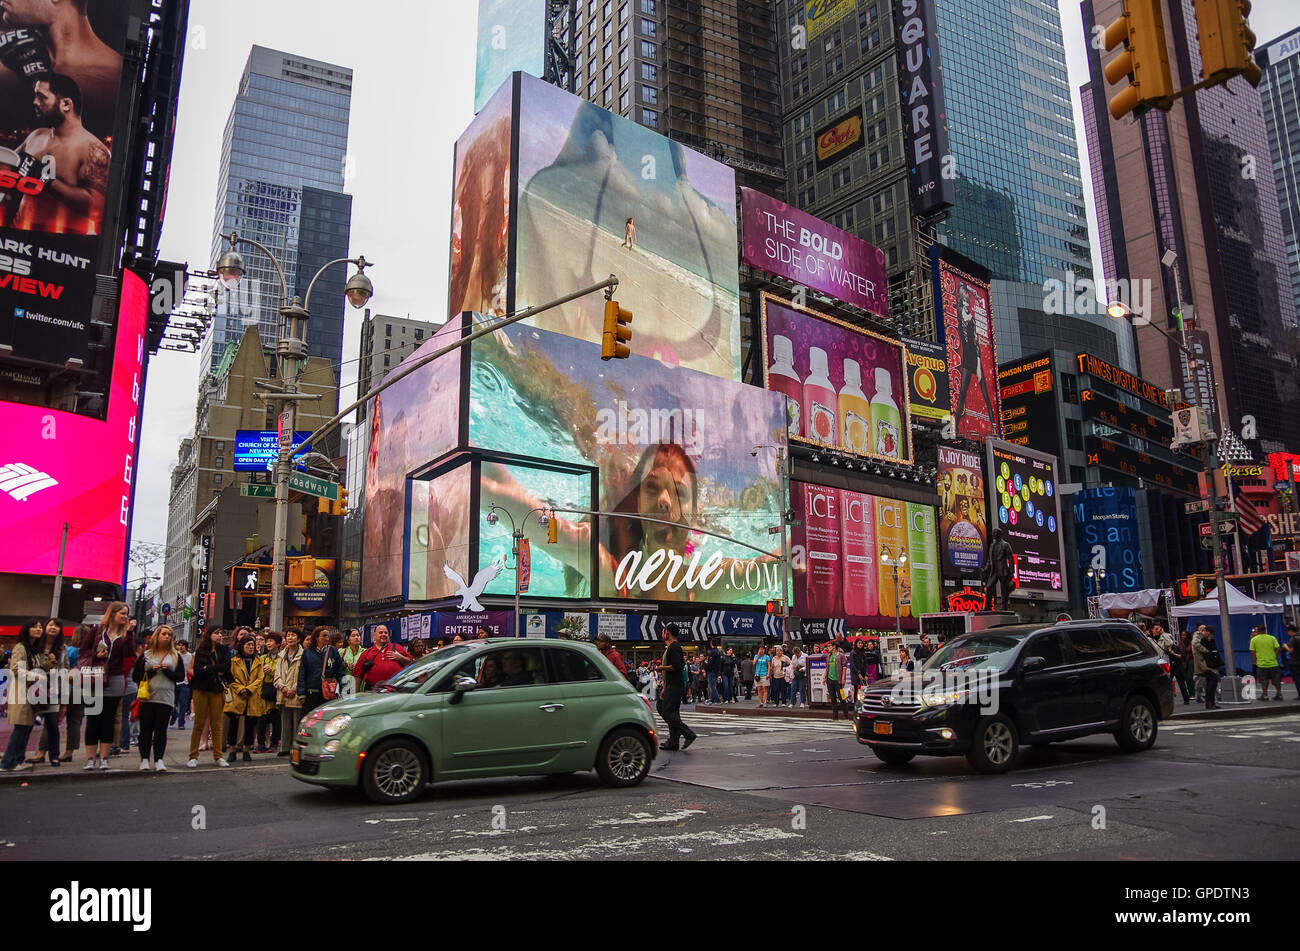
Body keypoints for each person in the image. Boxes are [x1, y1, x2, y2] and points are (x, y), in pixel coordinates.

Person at [8, 73, 111, 234]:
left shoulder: (94, 150)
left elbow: (97, 209)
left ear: (66, 104)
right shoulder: (36, 135)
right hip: (18, 237)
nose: (35, 102)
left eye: (42, 97)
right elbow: (8, 165)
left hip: (62, 249)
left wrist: (48, 181)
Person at [81, 602, 133, 769]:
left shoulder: (124, 635)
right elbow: (84, 651)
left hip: (115, 678)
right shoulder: (97, 631)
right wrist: (96, 655)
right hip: (95, 676)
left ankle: (104, 758)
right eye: (122, 613)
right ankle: (90, 759)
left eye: (126, 614)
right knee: (93, 719)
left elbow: (129, 654)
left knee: (108, 720)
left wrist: (130, 633)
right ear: (113, 614)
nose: (125, 617)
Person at [131, 626, 183, 771]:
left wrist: (166, 671)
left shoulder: (175, 656)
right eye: (164, 634)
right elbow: (136, 675)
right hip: (148, 697)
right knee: (146, 730)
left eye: (169, 635)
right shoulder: (146, 655)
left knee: (161, 730)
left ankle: (159, 759)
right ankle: (145, 759)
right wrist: (151, 671)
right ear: (157, 636)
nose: (167, 637)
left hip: (166, 697)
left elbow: (180, 677)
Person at [0, 620, 43, 771]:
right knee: (21, 728)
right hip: (21, 693)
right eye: (35, 626)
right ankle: (7, 763)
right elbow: (16, 669)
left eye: (40, 627)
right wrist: (38, 676)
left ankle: (18, 760)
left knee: (26, 728)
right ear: (27, 629)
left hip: (31, 694)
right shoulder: (20, 647)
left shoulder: (34, 649)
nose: (38, 629)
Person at [952, 281, 995, 431]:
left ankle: (995, 428)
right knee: (962, 394)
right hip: (966, 359)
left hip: (975, 359)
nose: (965, 303)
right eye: (962, 300)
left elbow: (976, 343)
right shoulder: (958, 314)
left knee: (986, 395)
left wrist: (978, 364)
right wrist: (973, 291)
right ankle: (955, 427)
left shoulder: (973, 319)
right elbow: (961, 284)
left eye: (966, 300)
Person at [26, 617, 68, 766]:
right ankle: (29, 754)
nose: (53, 628)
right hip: (36, 688)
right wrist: (47, 663)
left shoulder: (62, 648)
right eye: (51, 625)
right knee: (28, 723)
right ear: (45, 627)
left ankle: (54, 755)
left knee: (52, 723)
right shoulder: (36, 645)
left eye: (57, 626)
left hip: (55, 689)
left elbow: (65, 669)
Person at [186, 628, 230, 768]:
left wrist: (209, 668)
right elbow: (197, 671)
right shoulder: (200, 651)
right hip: (201, 689)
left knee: (217, 723)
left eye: (221, 633)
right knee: (199, 722)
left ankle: (218, 756)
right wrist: (215, 669)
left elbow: (226, 666)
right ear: (209, 635)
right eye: (216, 633)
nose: (220, 635)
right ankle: (193, 756)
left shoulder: (224, 650)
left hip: (217, 689)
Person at [224, 634, 266, 762]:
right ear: (242, 646)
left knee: (250, 725)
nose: (251, 647)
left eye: (252, 645)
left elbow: (260, 678)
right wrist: (240, 688)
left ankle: (246, 750)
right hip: (237, 696)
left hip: (252, 697)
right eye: (248, 645)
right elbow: (230, 677)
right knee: (233, 724)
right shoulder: (234, 660)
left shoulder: (258, 661)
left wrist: (249, 689)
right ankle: (232, 750)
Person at [654, 625, 696, 751]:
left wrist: (661, 668)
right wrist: (664, 687)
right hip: (671, 684)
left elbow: (676, 666)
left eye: (663, 631)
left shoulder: (675, 647)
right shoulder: (670, 647)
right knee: (668, 710)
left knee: (667, 711)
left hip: (676, 684)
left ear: (668, 633)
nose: (662, 633)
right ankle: (673, 741)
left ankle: (688, 734)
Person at [298, 626, 345, 712]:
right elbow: (302, 673)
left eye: (328, 636)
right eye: (324, 636)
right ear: (316, 637)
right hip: (311, 692)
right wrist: (301, 693)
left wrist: (342, 689)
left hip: (328, 693)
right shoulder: (307, 652)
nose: (327, 638)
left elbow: (340, 671)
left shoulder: (333, 651)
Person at [275, 630, 305, 756]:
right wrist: (283, 687)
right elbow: (277, 675)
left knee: (297, 722)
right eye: (288, 635)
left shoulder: (303, 655)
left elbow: (303, 675)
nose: (290, 638)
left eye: (293, 635)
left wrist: (293, 689)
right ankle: (285, 747)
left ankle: (295, 748)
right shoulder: (281, 655)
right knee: (285, 722)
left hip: (296, 693)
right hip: (283, 693)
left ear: (298, 639)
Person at [357, 626, 414, 690]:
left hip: (396, 690)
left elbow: (412, 663)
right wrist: (355, 694)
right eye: (381, 632)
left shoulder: (397, 648)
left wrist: (401, 657)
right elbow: (357, 676)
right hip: (373, 691)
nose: (384, 634)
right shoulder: (366, 653)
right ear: (374, 636)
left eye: (386, 633)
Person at [254, 632, 282, 753]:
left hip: (276, 691)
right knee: (261, 719)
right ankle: (260, 744)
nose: (268, 643)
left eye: (271, 641)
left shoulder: (282, 658)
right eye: (267, 641)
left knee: (276, 718)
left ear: (278, 644)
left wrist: (272, 670)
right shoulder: (262, 658)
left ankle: (274, 744)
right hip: (263, 691)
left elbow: (282, 673)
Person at [1248, 624, 1284, 701]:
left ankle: (1265, 695)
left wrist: (1255, 661)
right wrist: (1275, 656)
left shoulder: (1254, 640)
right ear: (1265, 630)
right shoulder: (1272, 638)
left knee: (1263, 680)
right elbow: (1278, 648)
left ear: (1258, 631)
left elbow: (1252, 652)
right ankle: (1279, 694)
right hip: (1273, 663)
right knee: (1276, 680)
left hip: (1261, 664)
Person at [982, 529, 1015, 611]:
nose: (993, 534)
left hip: (1003, 570)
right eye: (993, 533)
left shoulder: (1005, 545)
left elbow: (1011, 558)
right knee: (989, 587)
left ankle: (1004, 607)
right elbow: (990, 560)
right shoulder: (992, 545)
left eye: (995, 533)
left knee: (1004, 590)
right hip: (994, 571)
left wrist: (1011, 572)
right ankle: (987, 606)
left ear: (999, 534)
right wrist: (985, 569)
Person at [1195, 629, 1222, 710]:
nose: (1205, 633)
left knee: (1213, 683)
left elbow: (1214, 651)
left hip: (1212, 664)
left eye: (1206, 631)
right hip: (1205, 665)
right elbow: (1202, 650)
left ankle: (1211, 702)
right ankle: (1209, 702)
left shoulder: (1212, 640)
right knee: (1210, 682)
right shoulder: (1200, 640)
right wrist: (1208, 650)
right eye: (1204, 631)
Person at [171, 639, 193, 729]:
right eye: (179, 645)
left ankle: (181, 722)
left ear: (186, 647)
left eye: (183, 645)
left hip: (185, 682)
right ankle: (174, 713)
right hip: (174, 681)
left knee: (183, 703)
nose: (181, 647)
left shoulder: (190, 656)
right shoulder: (174, 655)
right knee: (172, 702)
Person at [826, 642, 847, 721]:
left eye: (829, 646)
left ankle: (846, 715)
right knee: (833, 698)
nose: (828, 648)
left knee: (842, 698)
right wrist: (825, 677)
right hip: (830, 679)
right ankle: (835, 717)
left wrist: (843, 678)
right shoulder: (828, 656)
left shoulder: (841, 655)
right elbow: (827, 667)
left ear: (834, 647)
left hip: (838, 680)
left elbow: (844, 667)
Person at [341, 629, 364, 695]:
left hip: (360, 688)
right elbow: (336, 667)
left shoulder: (365, 652)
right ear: (348, 639)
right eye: (353, 636)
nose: (356, 637)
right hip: (345, 687)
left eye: (358, 635)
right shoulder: (342, 652)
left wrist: (358, 667)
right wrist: (345, 665)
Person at [705, 639, 723, 705]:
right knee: (713, 685)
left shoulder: (712, 652)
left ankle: (717, 700)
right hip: (716, 671)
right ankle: (712, 700)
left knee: (712, 686)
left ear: (711, 644)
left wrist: (707, 666)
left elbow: (710, 663)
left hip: (711, 671)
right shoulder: (718, 652)